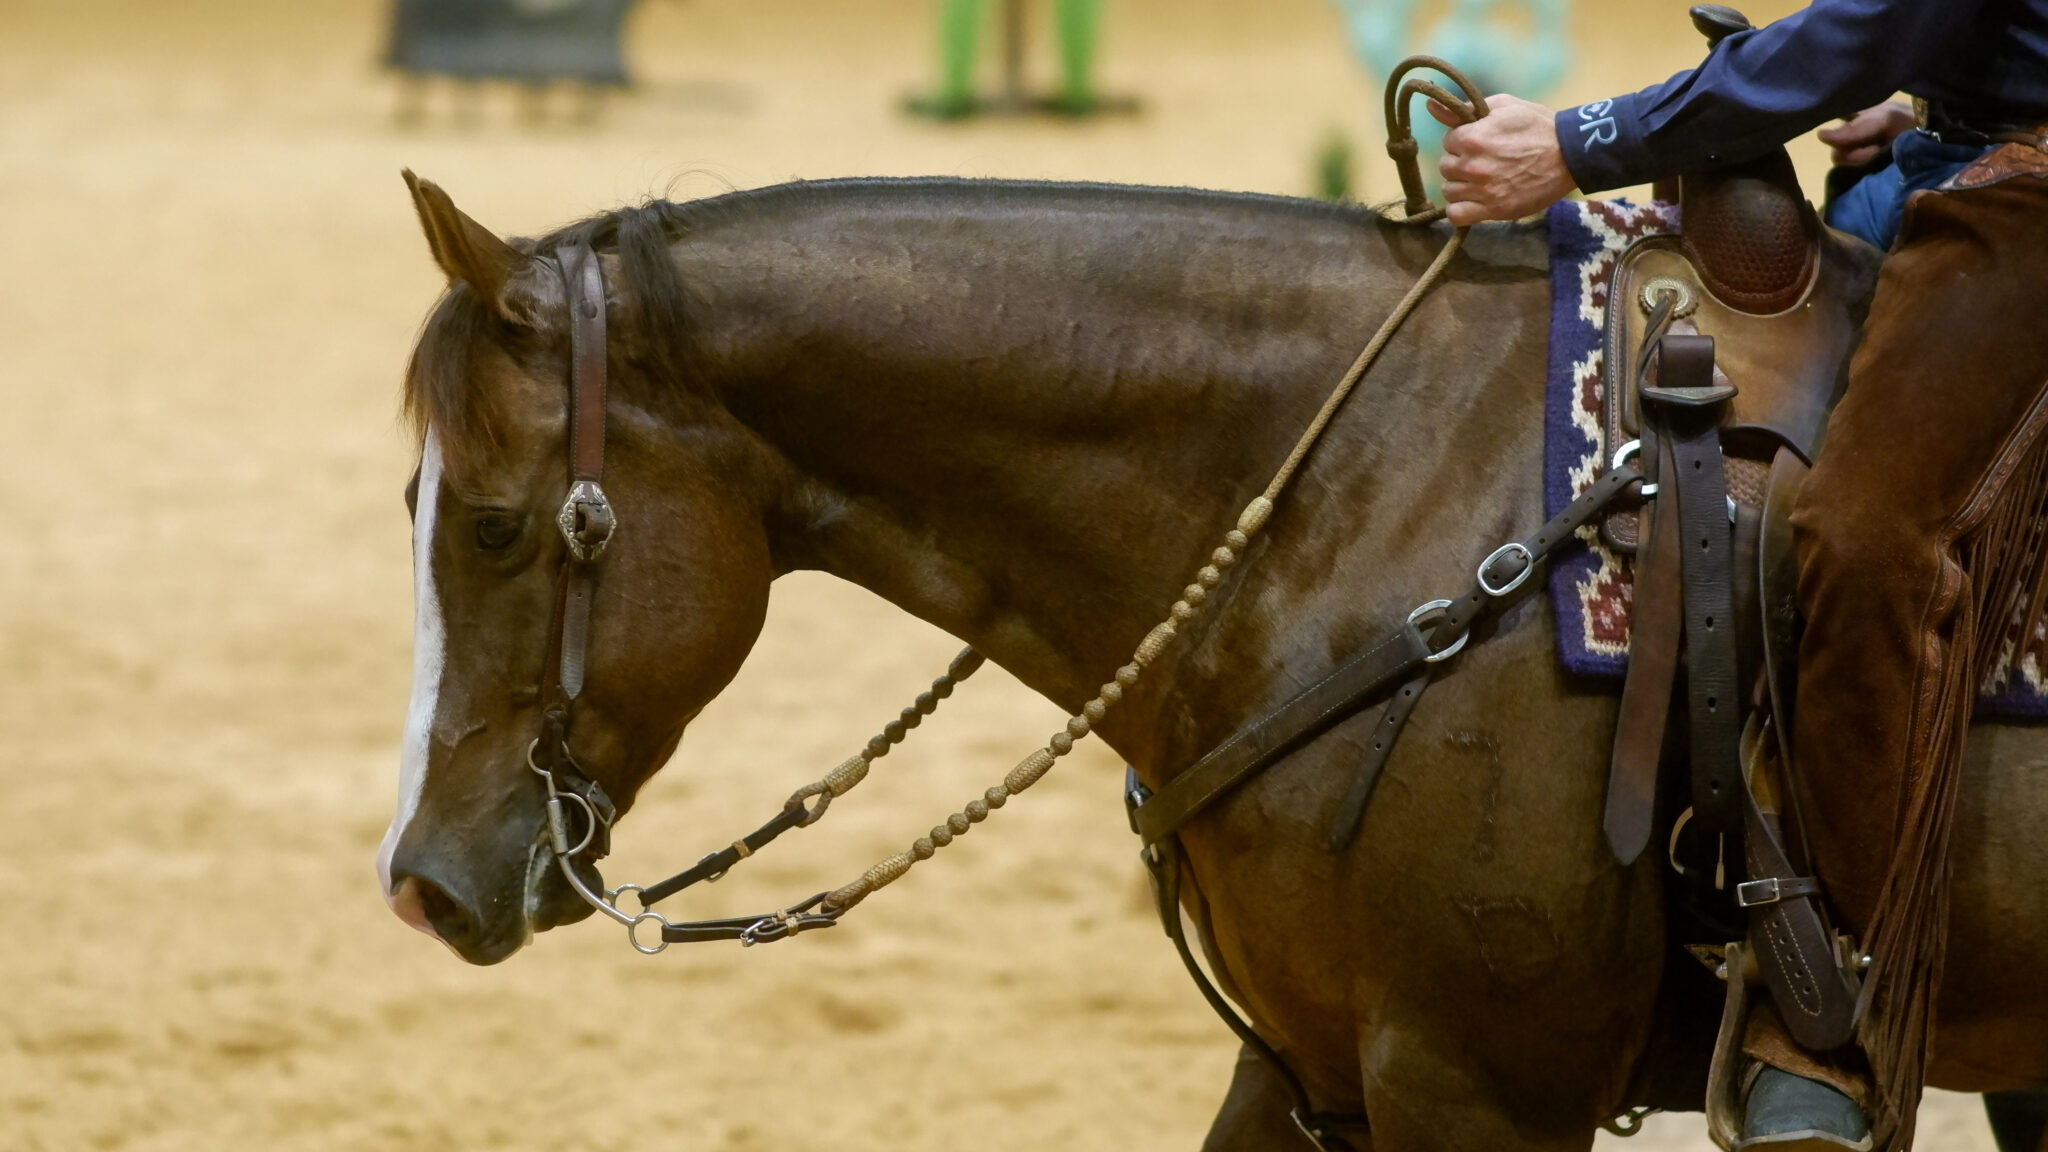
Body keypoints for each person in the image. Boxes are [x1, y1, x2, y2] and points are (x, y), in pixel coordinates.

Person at [1430, 4, 2048, 1150]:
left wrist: (1579, 143)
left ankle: (1826, 1024)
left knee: (1866, 538)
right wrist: (1926, 95)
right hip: (1961, 143)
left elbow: (1885, 16)